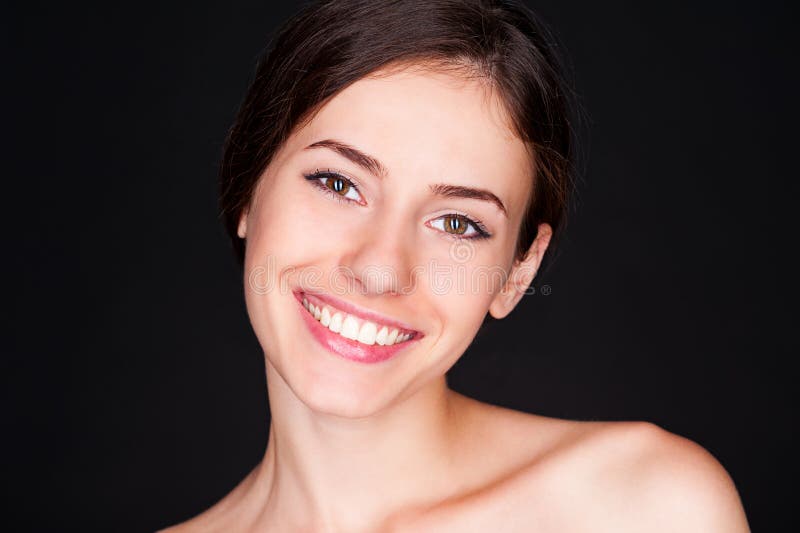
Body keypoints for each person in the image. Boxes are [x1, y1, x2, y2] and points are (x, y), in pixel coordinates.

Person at [162, 0, 750, 530]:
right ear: (248, 189)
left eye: (457, 224)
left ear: (519, 271)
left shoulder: (644, 510)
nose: (381, 270)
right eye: (338, 183)